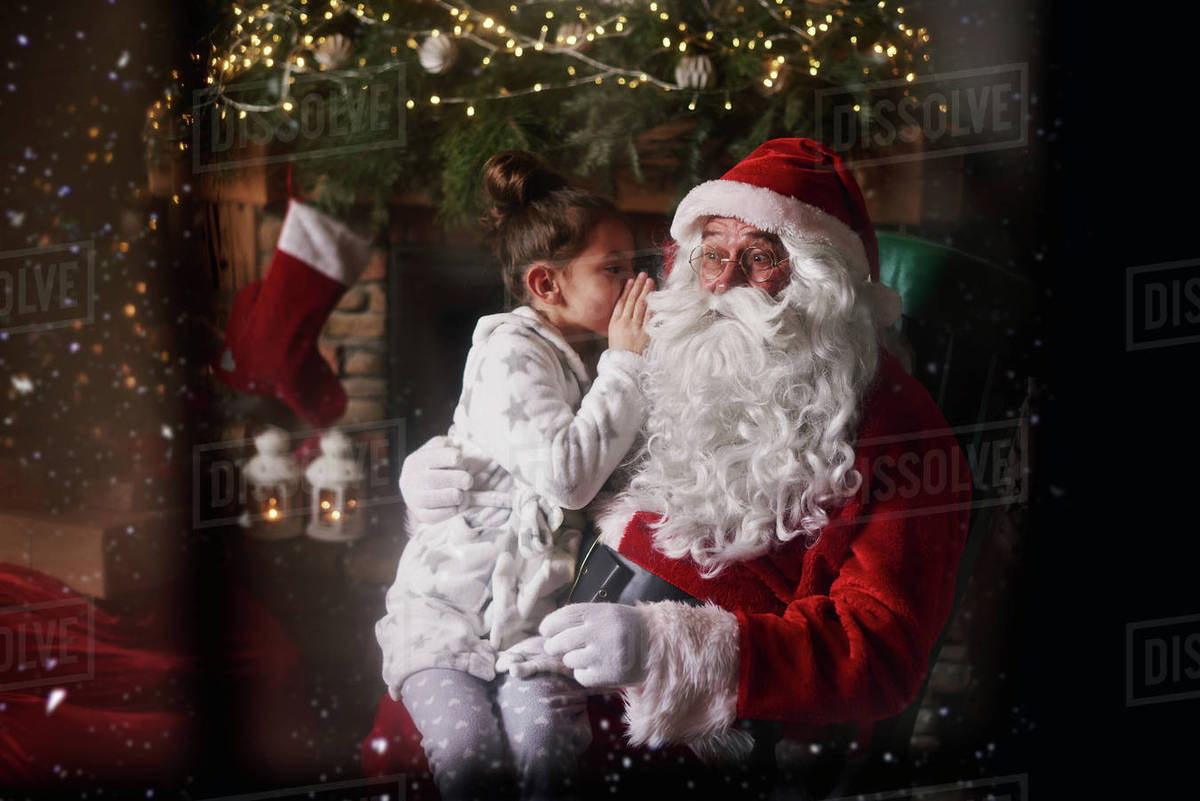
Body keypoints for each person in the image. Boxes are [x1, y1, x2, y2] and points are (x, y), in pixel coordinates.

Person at [391, 138, 971, 798]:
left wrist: (669, 650)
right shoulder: (677, 353)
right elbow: (557, 456)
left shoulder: (900, 427)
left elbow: (882, 654)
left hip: (686, 723)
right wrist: (449, 479)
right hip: (526, 634)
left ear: (819, 277)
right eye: (712, 255)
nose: (721, 282)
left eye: (757, 256)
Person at [374, 150, 656, 801]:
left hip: (538, 617)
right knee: (469, 751)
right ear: (546, 284)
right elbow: (570, 475)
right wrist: (624, 364)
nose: (635, 286)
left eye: (635, 266)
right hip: (449, 611)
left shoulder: (582, 356)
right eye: (613, 270)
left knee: (548, 751)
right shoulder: (511, 349)